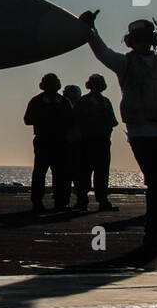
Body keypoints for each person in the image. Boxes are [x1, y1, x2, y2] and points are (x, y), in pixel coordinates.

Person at [78, 12, 157, 247]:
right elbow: (103, 53)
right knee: (156, 183)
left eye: (146, 38)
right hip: (142, 134)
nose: (142, 42)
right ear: (131, 41)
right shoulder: (125, 64)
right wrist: (91, 31)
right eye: (138, 38)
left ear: (153, 39)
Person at [23, 72, 73, 212]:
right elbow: (27, 120)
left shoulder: (62, 101)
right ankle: (38, 201)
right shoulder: (38, 101)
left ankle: (60, 201)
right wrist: (44, 117)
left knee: (59, 173)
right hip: (44, 140)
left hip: (59, 141)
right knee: (41, 172)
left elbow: (71, 120)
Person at [75, 73, 119, 211]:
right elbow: (76, 119)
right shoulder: (86, 101)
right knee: (87, 172)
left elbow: (113, 121)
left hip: (101, 142)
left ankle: (98, 199)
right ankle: (84, 199)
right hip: (88, 142)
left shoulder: (104, 102)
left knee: (100, 173)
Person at [61, 84, 87, 210]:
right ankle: (70, 200)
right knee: (69, 175)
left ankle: (78, 200)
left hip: (76, 144)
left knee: (76, 175)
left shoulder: (77, 108)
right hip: (68, 144)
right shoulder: (64, 107)